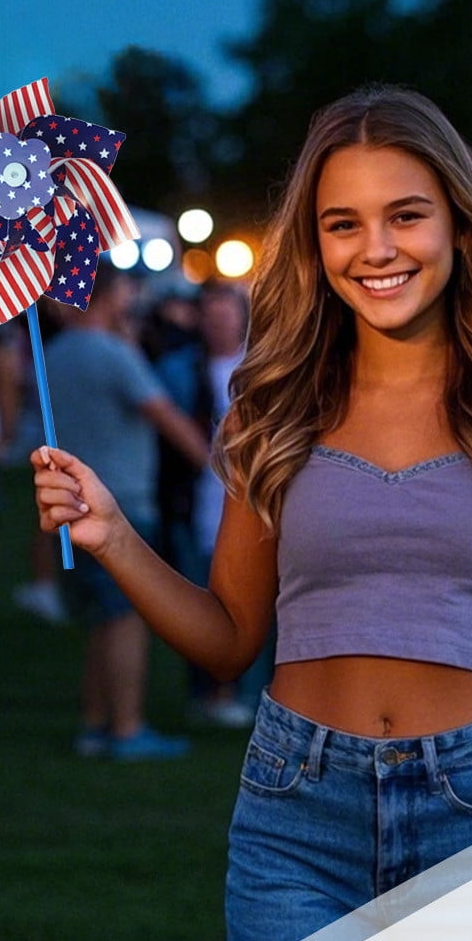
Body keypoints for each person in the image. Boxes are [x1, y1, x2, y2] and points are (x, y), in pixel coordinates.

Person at [34, 85, 472, 941]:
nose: (378, 249)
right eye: (343, 224)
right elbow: (228, 640)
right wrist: (115, 536)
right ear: (315, 247)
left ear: (461, 227)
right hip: (296, 816)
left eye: (406, 215)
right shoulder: (272, 408)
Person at [40, 265, 212, 760]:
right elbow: (165, 415)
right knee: (125, 618)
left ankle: (95, 723)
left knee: (100, 619)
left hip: (66, 503)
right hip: (121, 504)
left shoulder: (53, 353)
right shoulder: (114, 355)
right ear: (108, 296)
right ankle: (127, 727)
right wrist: (214, 465)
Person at [156, 280, 262, 727]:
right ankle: (205, 692)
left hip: (253, 501)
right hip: (192, 501)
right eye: (212, 315)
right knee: (198, 598)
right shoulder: (177, 370)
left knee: (253, 603)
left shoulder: (262, 370)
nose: (220, 323)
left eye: (227, 314)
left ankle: (249, 694)